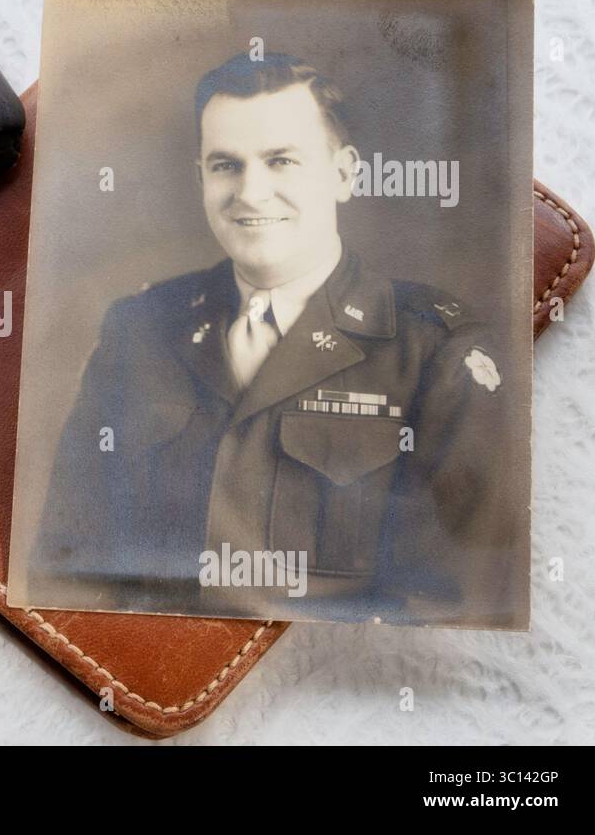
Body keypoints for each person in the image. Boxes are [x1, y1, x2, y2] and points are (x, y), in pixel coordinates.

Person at [31, 53, 521, 626]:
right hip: (149, 671)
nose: (251, 193)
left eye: (281, 160)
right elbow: (69, 565)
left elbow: (461, 602)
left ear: (344, 174)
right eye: (225, 166)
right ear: (201, 179)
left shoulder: (438, 350)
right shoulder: (139, 328)